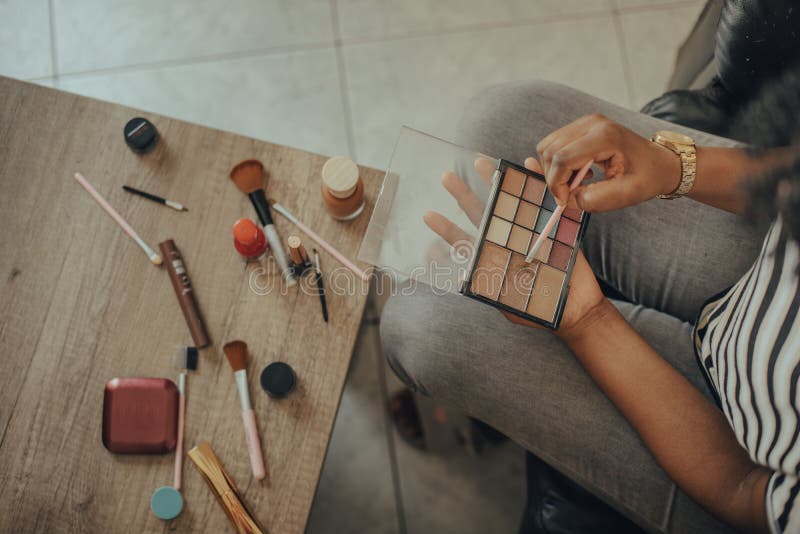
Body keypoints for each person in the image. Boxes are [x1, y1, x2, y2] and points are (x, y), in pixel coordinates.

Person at [380, 69, 800, 533]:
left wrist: (587, 320)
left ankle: (483, 414)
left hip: (730, 447)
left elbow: (740, 488)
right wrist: (673, 166)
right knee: (499, 118)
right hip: (761, 253)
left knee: (419, 327)